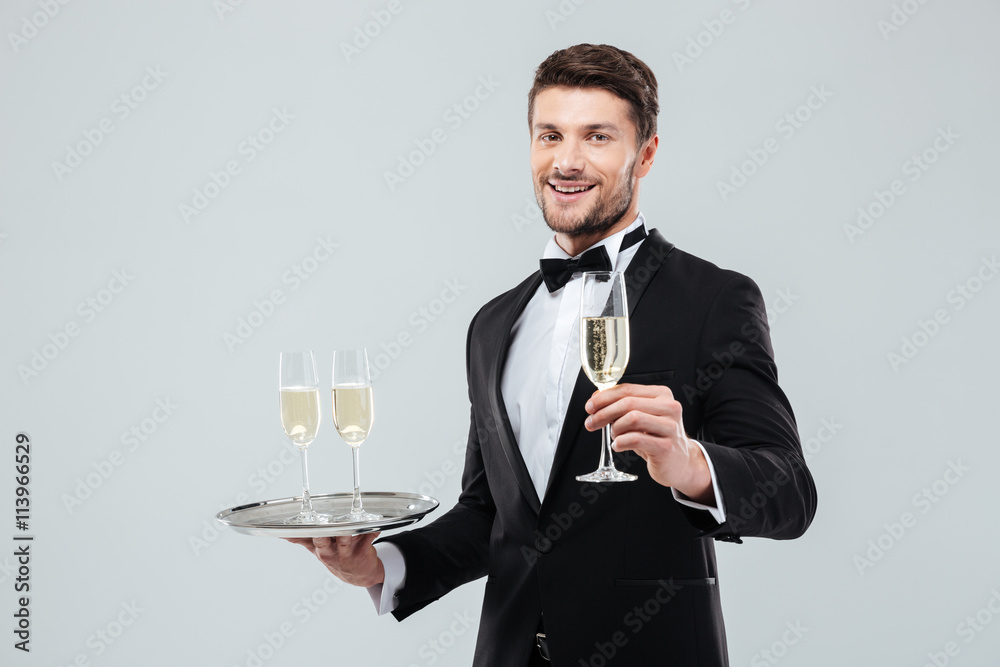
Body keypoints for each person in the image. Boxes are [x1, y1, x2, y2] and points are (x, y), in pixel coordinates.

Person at [288, 43, 817, 666]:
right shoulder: (492, 324)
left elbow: (790, 492)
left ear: (645, 153)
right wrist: (380, 566)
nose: (566, 161)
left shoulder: (714, 299)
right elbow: (491, 515)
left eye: (597, 137)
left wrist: (690, 464)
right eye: (550, 136)